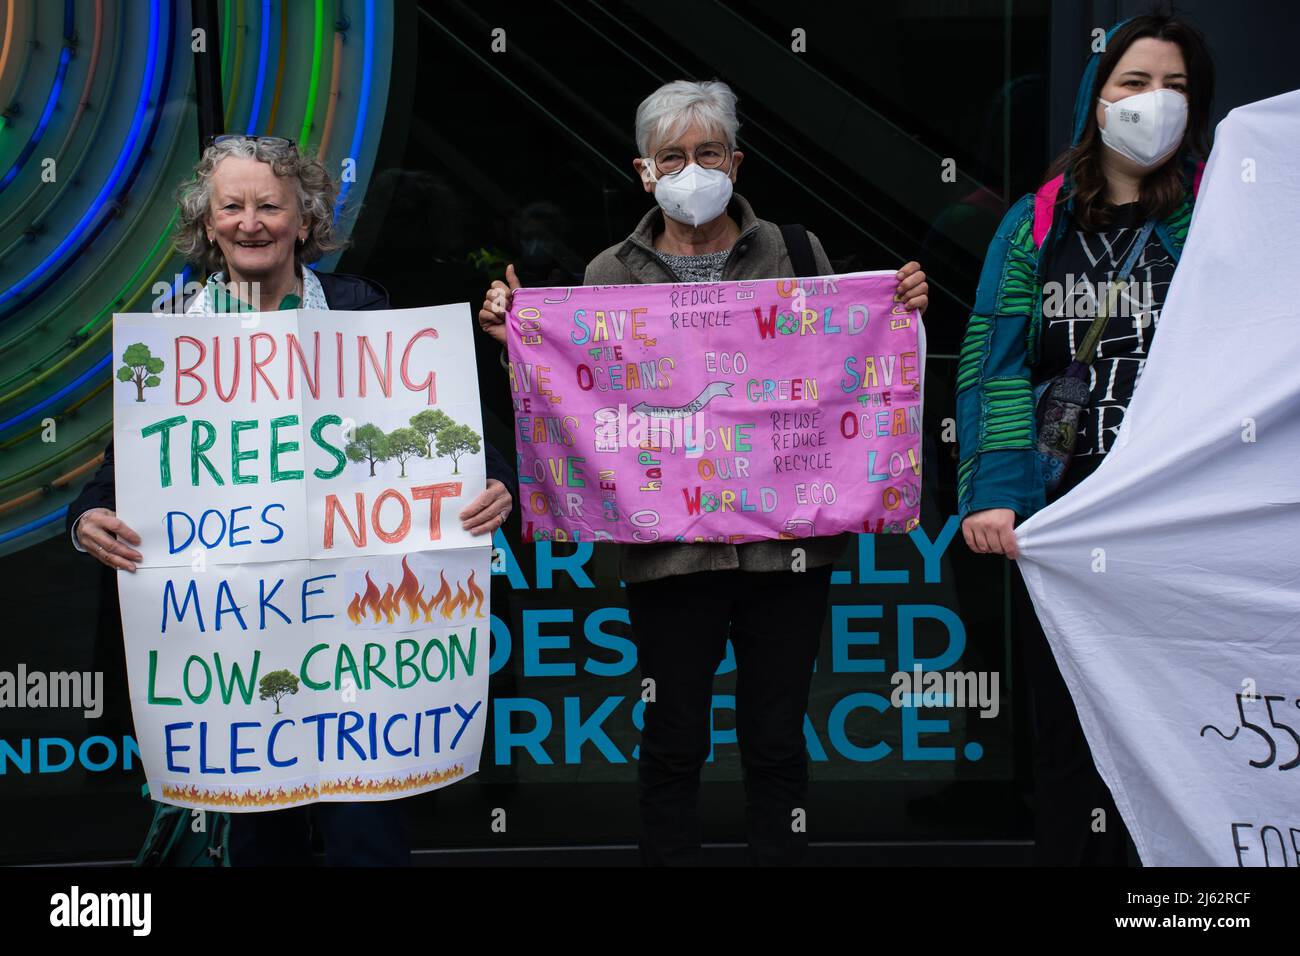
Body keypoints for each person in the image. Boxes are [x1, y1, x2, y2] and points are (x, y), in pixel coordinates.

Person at [478, 80, 929, 865]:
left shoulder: (797, 247)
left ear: (737, 161)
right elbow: (580, 389)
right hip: (669, 550)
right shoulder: (607, 273)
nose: (693, 170)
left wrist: (902, 304)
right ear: (644, 172)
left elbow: (838, 368)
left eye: (708, 153)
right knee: (672, 737)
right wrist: (514, 333)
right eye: (672, 157)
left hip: (787, 545)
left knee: (777, 736)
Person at [68, 135, 518, 866]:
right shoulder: (174, 338)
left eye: (270, 206)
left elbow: (432, 420)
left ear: (304, 222)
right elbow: (122, 474)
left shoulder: (358, 307)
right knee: (256, 849)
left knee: (363, 843)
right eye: (233, 206)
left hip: (357, 652)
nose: (252, 222)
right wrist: (86, 517)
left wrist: (492, 477)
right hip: (237, 657)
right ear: (207, 224)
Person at [955, 14, 1214, 865]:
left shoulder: (1217, 214)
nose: (1155, 104)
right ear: (1094, 100)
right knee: (1065, 740)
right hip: (1063, 521)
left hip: (1179, 518)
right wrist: (997, 490)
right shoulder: (1035, 225)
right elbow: (995, 360)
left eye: (1175, 88)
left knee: (1184, 733)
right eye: (1134, 84)